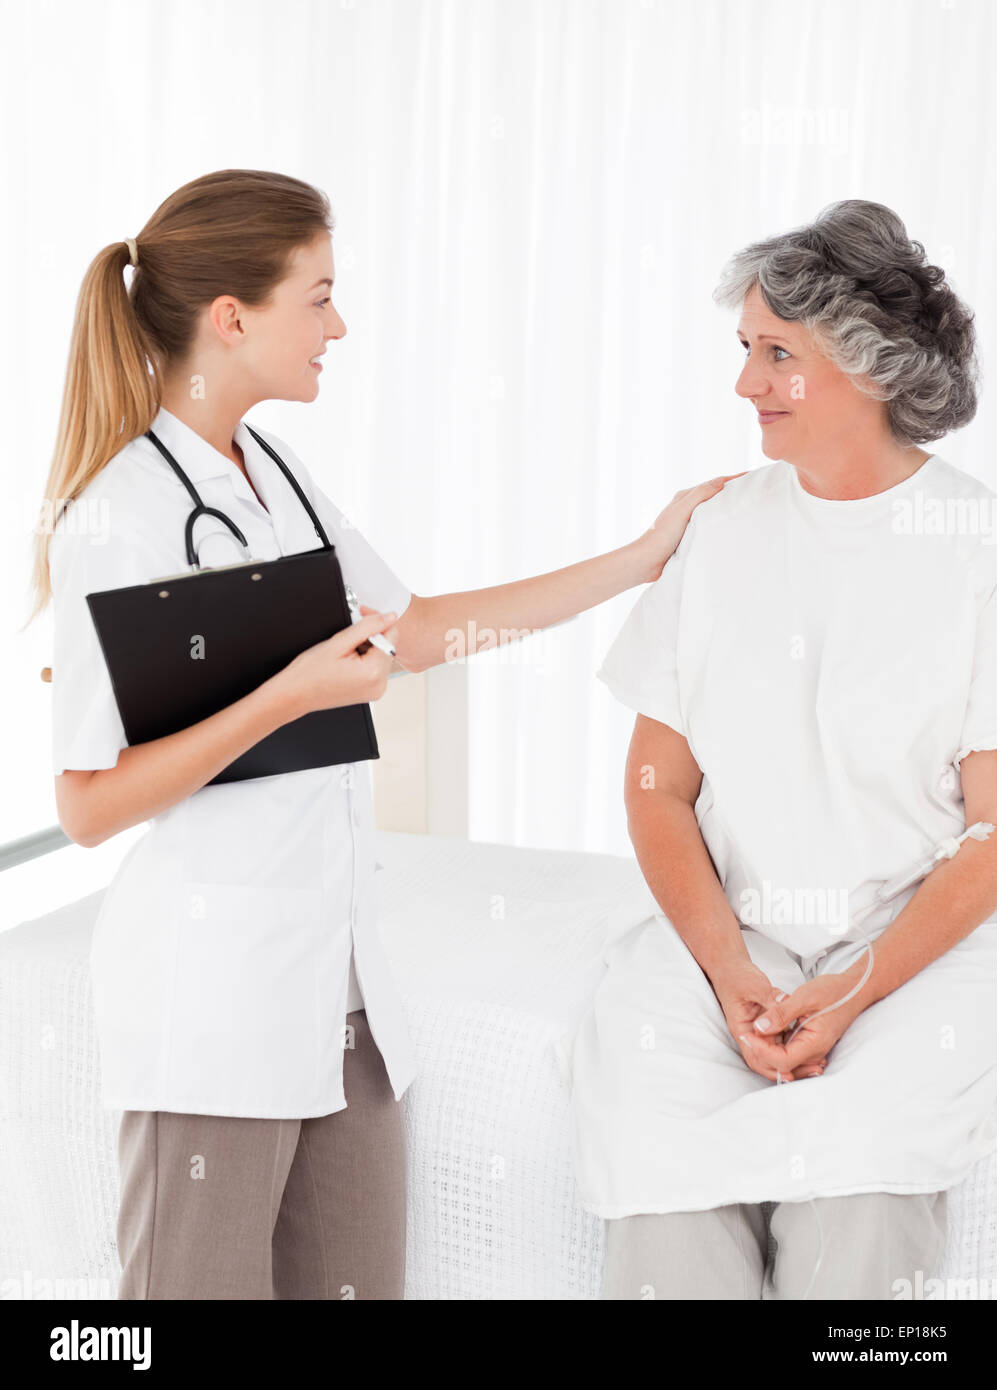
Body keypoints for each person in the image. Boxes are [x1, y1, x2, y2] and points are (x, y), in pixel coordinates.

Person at [32, 167, 733, 1300]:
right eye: (317, 296)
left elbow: (418, 631)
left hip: (344, 996)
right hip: (210, 1005)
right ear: (231, 318)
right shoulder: (122, 513)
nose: (338, 325)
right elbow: (87, 804)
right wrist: (283, 696)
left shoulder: (277, 477)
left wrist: (638, 558)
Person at [563, 199, 997, 1300]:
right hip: (731, 939)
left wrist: (854, 989)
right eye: (745, 351)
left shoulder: (974, 550)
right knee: (658, 1168)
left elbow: (991, 835)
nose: (746, 384)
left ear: (867, 363)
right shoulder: (723, 530)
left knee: (862, 1189)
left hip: (915, 954)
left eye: (775, 355)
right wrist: (728, 969)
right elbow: (657, 792)